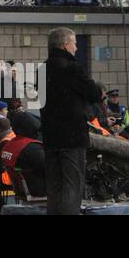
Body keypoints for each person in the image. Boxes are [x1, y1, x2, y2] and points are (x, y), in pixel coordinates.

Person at [41, 27, 104, 215]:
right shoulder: (72, 68)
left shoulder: (42, 69)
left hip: (50, 136)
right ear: (65, 44)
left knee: (54, 186)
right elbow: (93, 93)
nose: (76, 48)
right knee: (72, 185)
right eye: (75, 43)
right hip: (72, 135)